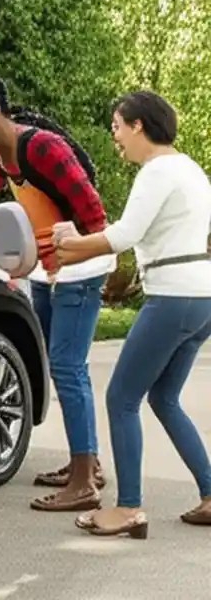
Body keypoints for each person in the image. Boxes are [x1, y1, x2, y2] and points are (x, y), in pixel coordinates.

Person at [0, 70, 112, 512]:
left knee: (68, 369)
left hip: (79, 267)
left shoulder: (43, 148)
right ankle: (86, 466)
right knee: (65, 367)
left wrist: (78, 258)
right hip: (49, 271)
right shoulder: (1, 154)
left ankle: (84, 482)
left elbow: (94, 213)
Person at [57, 91, 211, 538]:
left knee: (121, 398)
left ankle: (128, 508)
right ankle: (209, 492)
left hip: (173, 297)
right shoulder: (190, 169)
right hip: (201, 297)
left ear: (139, 125)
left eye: (117, 128)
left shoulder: (157, 170)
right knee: (163, 398)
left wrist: (68, 246)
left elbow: (124, 235)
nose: (115, 138)